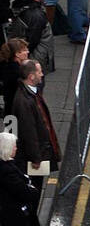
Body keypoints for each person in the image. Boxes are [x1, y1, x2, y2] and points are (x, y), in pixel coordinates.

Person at [11, 61, 60, 191]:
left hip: (39, 151)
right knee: (34, 189)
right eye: (39, 72)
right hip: (33, 157)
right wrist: (36, 158)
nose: (42, 74)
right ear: (31, 76)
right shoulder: (24, 101)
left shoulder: (31, 93)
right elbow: (29, 132)